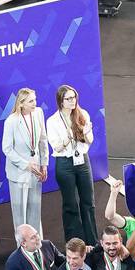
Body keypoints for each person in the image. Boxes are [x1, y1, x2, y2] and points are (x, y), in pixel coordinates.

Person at [47, 85, 98, 247]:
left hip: (82, 160)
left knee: (88, 201)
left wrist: (85, 132)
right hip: (64, 163)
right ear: (61, 101)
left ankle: (92, 240)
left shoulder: (83, 114)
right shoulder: (53, 121)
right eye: (68, 98)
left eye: (74, 97)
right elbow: (56, 147)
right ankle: (74, 242)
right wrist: (69, 137)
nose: (72, 101)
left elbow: (90, 140)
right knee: (70, 204)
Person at [2, 88, 49, 237]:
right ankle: (21, 245)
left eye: (35, 99)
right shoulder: (11, 121)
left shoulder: (38, 113)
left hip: (36, 171)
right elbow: (7, 149)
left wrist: (44, 164)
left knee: (35, 209)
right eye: (31, 101)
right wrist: (25, 164)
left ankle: (37, 243)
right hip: (19, 173)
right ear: (21, 104)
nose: (35, 103)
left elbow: (43, 140)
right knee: (20, 213)